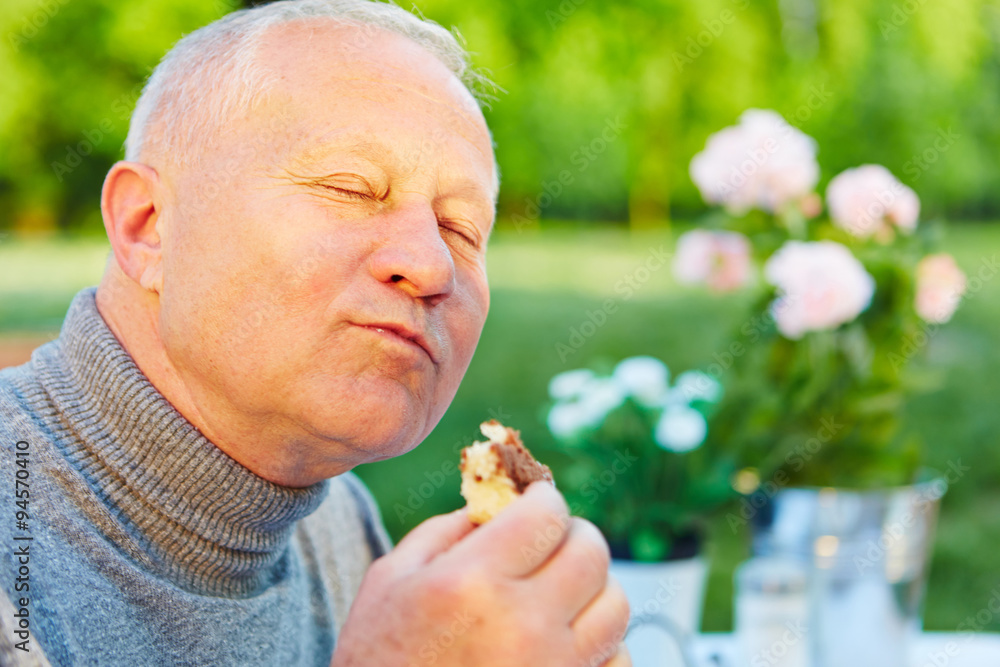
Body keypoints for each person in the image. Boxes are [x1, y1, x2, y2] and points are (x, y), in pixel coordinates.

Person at [0, 1, 631, 665]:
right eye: (352, 187)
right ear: (148, 225)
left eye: (461, 231)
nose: (429, 265)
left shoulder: (337, 522)